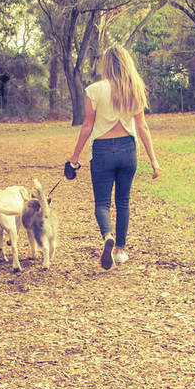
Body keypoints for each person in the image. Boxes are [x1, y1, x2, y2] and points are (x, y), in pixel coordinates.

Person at [66, 44, 160, 270]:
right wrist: (154, 161)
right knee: (123, 201)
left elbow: (87, 126)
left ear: (106, 64)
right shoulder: (134, 88)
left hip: (102, 151)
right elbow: (142, 127)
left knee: (102, 202)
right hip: (128, 150)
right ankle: (119, 250)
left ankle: (107, 235)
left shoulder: (95, 90)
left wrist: (74, 156)